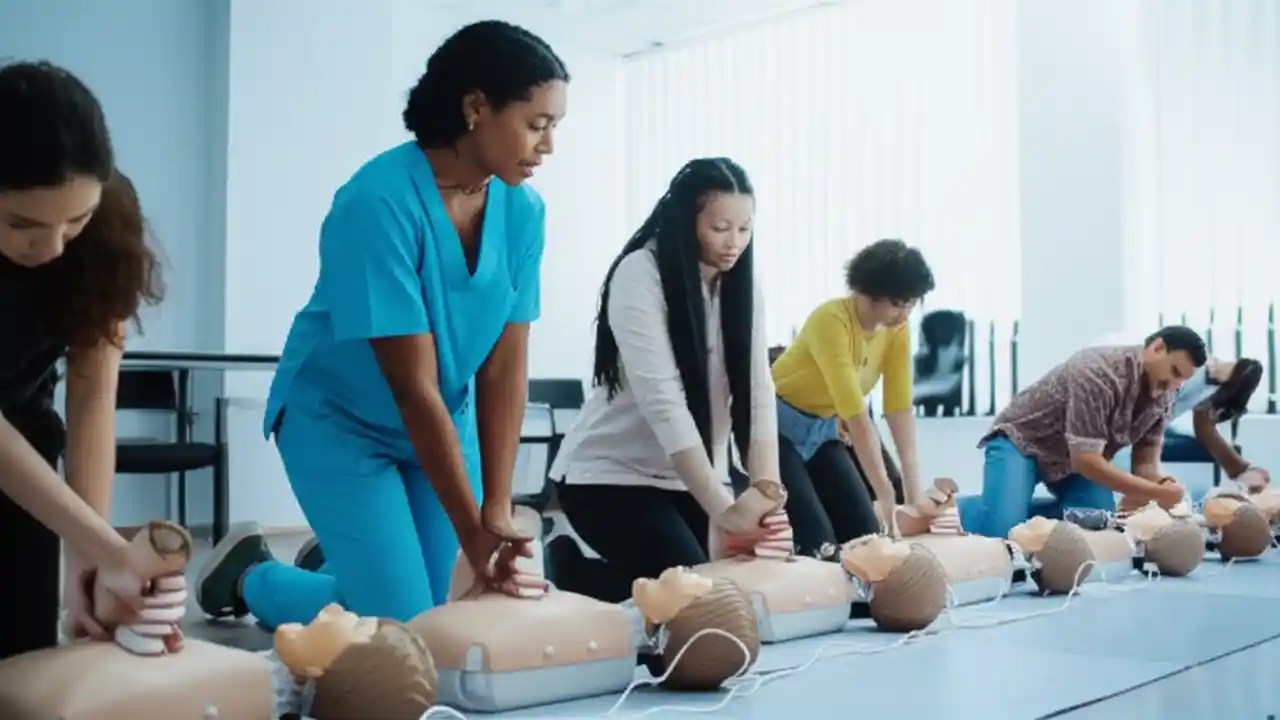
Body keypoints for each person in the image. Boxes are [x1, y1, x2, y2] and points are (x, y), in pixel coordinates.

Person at [195, 21, 570, 628]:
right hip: (341, 423)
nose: (548, 145)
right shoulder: (376, 202)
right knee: (406, 625)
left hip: (443, 420)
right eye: (537, 124)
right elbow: (411, 386)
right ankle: (252, 576)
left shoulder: (523, 211)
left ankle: (347, 574)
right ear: (476, 108)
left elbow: (505, 365)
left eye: (555, 127)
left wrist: (496, 509)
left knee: (427, 613)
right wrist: (472, 533)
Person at [546, 158, 787, 603]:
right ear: (685, 220)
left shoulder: (741, 286)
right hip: (610, 479)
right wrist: (725, 511)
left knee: (716, 592)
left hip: (686, 481)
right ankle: (571, 571)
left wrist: (766, 493)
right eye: (720, 228)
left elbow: (757, 391)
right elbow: (665, 403)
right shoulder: (641, 273)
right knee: (695, 600)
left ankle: (590, 573)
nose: (734, 243)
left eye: (744, 229)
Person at [0, 61, 165, 659]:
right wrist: (108, 547)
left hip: (27, 446)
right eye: (21, 223)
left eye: (76, 221)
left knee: (20, 658)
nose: (50, 247)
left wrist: (88, 560)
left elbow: (93, 396)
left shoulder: (111, 225)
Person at [958, 326, 1205, 539]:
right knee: (1004, 533)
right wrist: (1154, 493)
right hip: (1021, 443)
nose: (1174, 385)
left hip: (1070, 463)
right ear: (1157, 348)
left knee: (1097, 523)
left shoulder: (1165, 395)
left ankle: (1009, 509)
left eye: (1182, 380)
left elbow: (1145, 464)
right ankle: (959, 510)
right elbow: (1086, 461)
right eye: (1174, 372)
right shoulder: (1097, 371)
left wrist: (1163, 484)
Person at [770, 239, 936, 556]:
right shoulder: (831, 320)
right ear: (868, 293)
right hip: (776, 432)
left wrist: (912, 494)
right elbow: (857, 416)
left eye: (911, 304)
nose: (904, 314)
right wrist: (884, 493)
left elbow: (899, 408)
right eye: (897, 303)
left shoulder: (896, 330)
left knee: (865, 535)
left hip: (824, 431)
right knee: (819, 544)